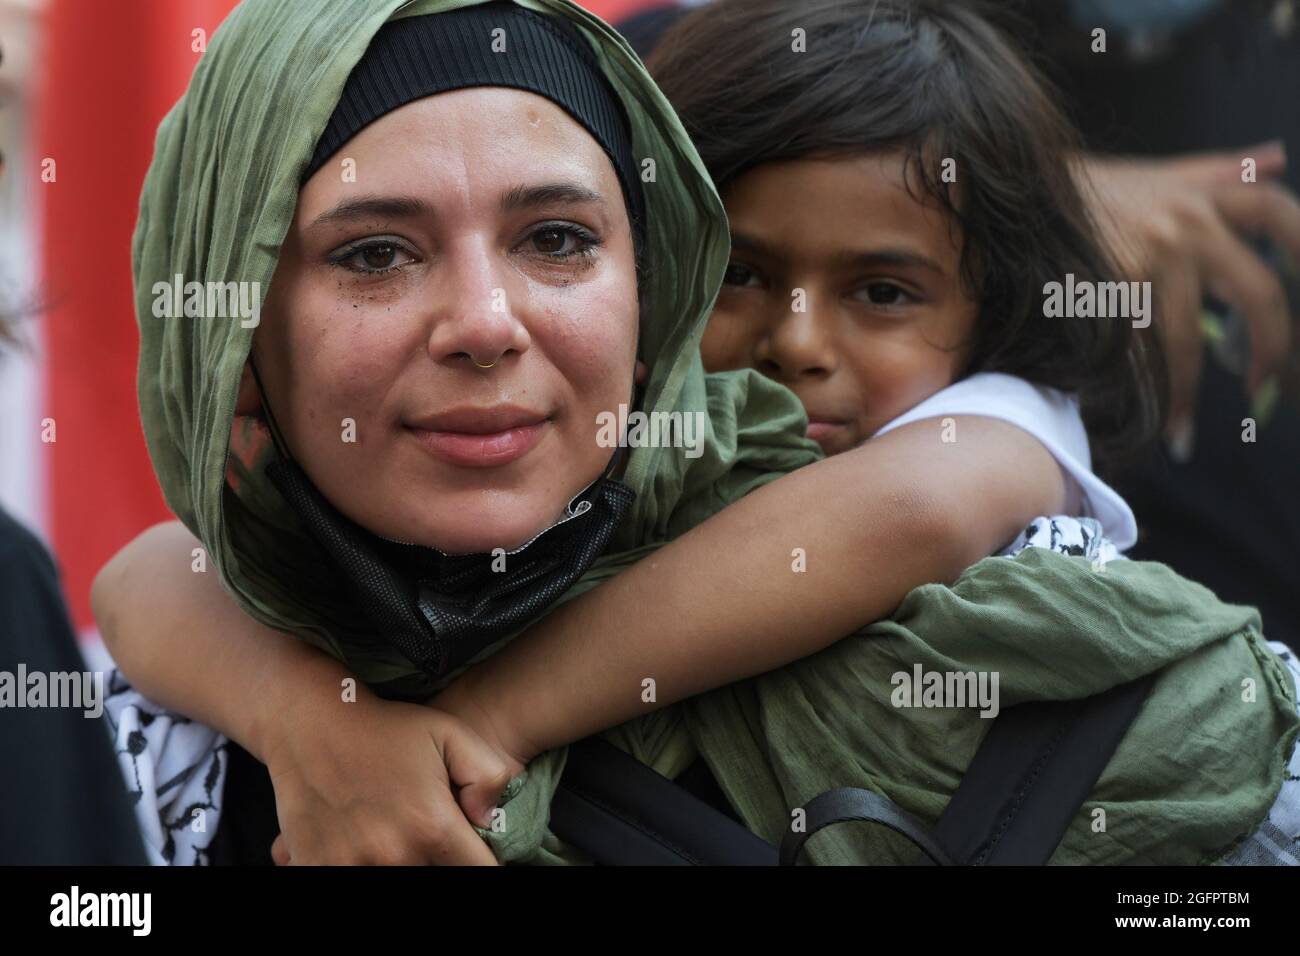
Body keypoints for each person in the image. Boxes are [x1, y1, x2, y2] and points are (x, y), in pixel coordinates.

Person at [94, 0, 1296, 865]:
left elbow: (916, 504)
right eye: (373, 252)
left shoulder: (1041, 636)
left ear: (644, 279)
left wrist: (473, 731)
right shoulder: (137, 741)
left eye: (556, 237)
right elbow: (148, 573)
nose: (484, 323)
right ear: (235, 333)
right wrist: (316, 726)